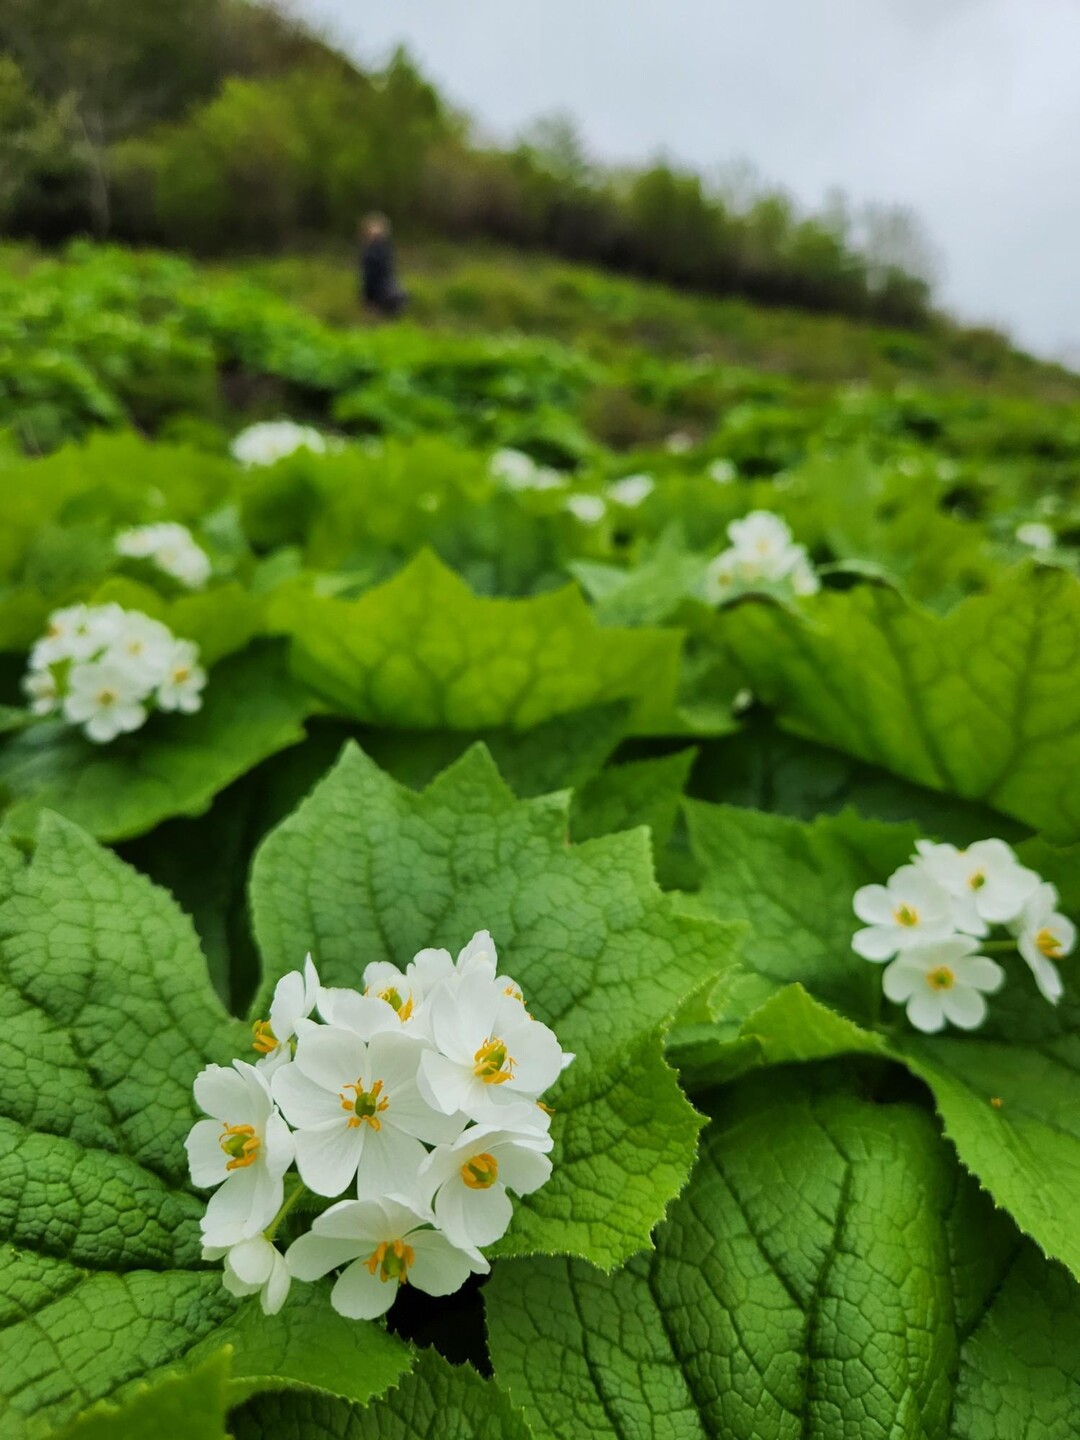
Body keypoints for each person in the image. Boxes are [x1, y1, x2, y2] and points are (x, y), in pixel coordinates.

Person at [359, 213, 407, 318]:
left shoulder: (372, 251)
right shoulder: (385, 248)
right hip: (392, 292)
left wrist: (368, 299)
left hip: (383, 295)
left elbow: (371, 276)